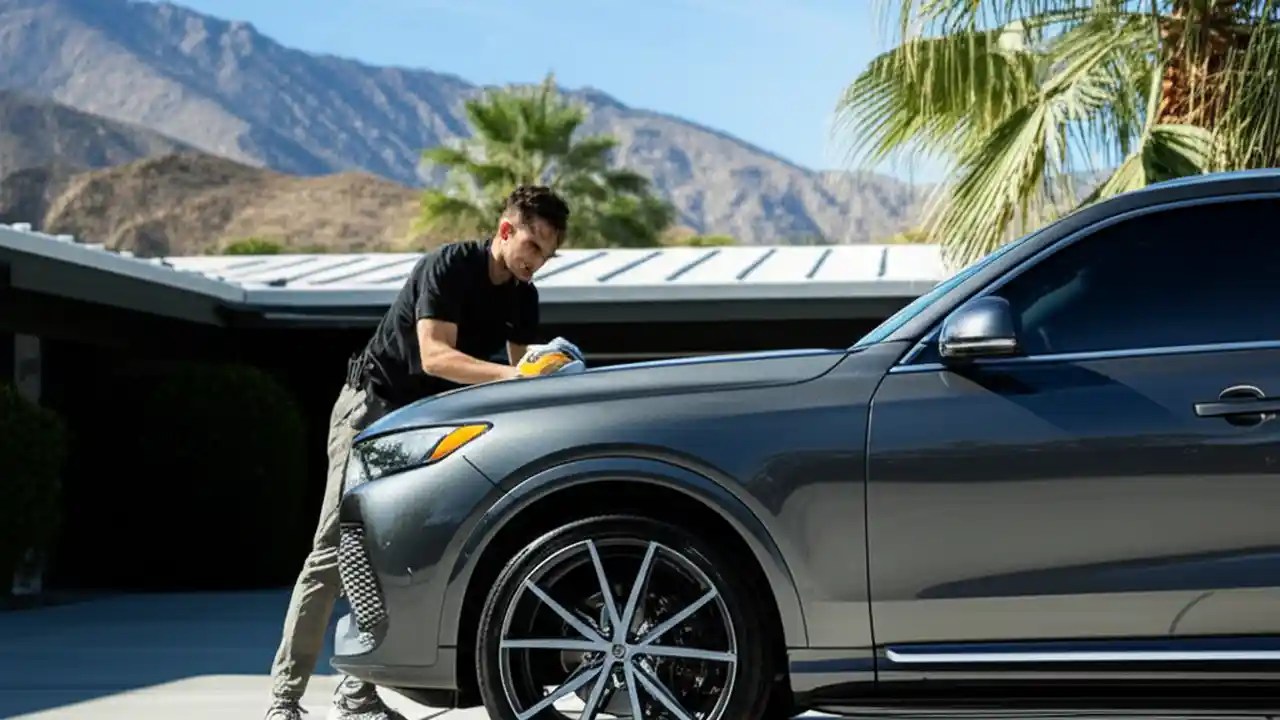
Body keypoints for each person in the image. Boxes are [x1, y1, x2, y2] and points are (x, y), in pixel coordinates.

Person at [264, 185, 571, 720]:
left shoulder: (523, 297)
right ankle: (284, 699)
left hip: (423, 427)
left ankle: (356, 693)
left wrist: (550, 375)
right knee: (335, 553)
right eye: (533, 245)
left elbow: (523, 385)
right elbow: (435, 357)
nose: (537, 261)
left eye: (546, 254)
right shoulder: (450, 267)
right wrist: (515, 372)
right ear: (505, 231)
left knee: (387, 557)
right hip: (371, 411)